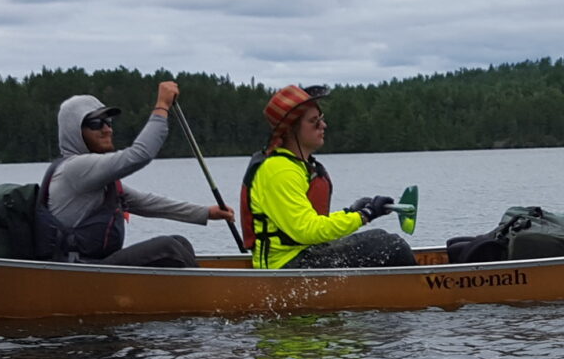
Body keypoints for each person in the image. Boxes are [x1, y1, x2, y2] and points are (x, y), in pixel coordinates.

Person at [38, 82, 235, 268]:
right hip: (78, 272)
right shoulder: (75, 168)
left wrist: (206, 213)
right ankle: (216, 298)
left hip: (96, 267)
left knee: (179, 242)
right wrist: (161, 107)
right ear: (75, 131)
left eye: (108, 122)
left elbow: (145, 203)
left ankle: (195, 297)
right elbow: (139, 155)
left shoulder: (97, 179)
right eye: (97, 123)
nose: (107, 129)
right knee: (168, 248)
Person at [238, 84, 416, 269]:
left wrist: (350, 212)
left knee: (381, 239)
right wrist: (365, 215)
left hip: (305, 256)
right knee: (392, 246)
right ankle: (425, 290)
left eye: (321, 119)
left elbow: (310, 225)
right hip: (286, 267)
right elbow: (307, 230)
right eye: (314, 121)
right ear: (290, 130)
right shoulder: (280, 171)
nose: (323, 125)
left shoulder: (295, 165)